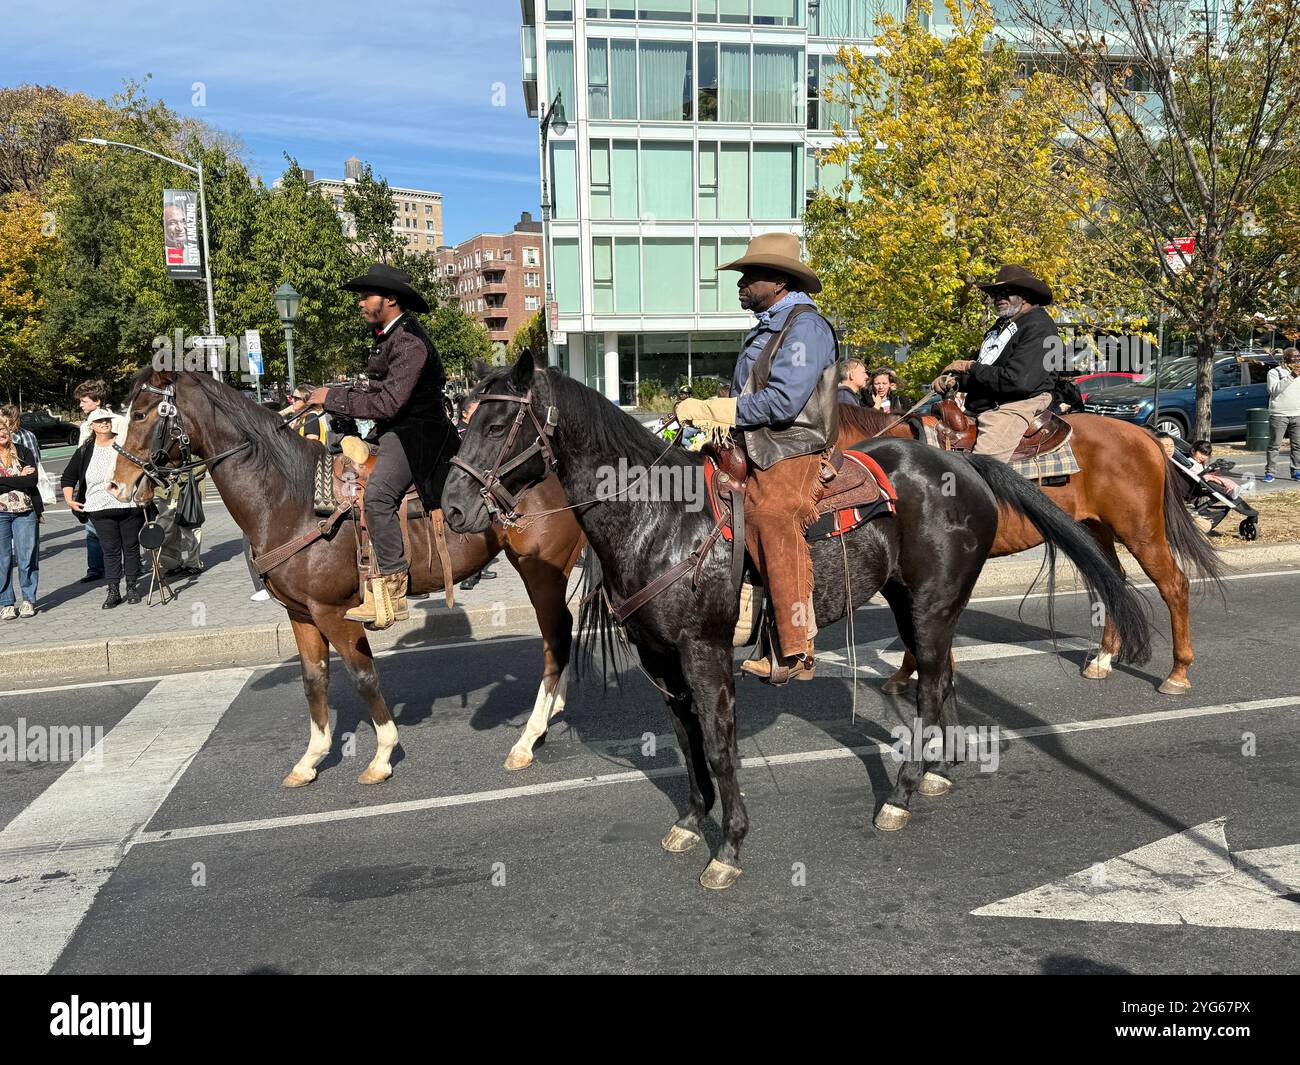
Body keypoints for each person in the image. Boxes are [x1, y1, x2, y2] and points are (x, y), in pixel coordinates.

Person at [675, 232, 839, 684]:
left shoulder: (805, 327)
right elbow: (746, 394)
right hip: (755, 440)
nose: (741, 282)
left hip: (795, 444)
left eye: (750, 275)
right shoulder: (769, 324)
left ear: (779, 281)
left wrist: (718, 409)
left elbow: (784, 403)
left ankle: (796, 647)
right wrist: (710, 417)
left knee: (770, 516)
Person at [304, 264, 458, 628]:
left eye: (365, 296)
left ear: (389, 299)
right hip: (394, 431)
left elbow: (388, 403)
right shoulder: (387, 336)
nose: (359, 302)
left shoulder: (409, 342)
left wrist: (333, 397)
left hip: (418, 435)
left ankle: (394, 589)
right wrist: (324, 396)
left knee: (377, 498)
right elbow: (374, 392)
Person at [932, 265, 1058, 462]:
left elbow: (1017, 381)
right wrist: (955, 381)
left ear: (1025, 296)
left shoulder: (1039, 326)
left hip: (1016, 405)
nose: (999, 298)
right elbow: (984, 372)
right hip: (986, 404)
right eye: (995, 294)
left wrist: (969, 367)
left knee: (981, 469)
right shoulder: (998, 328)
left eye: (1007, 292)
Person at [62, 408, 144, 608]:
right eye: (100, 422)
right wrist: (69, 500)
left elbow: (142, 466)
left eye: (107, 420)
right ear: (92, 426)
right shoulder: (85, 449)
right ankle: (113, 590)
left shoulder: (124, 442)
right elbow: (68, 476)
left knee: (131, 547)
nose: (105, 424)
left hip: (128, 504)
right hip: (99, 507)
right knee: (110, 550)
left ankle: (132, 586)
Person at [73, 379, 128, 584]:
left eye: (84, 401)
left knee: (123, 526)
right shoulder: (85, 426)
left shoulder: (117, 421)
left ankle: (131, 563)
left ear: (96, 400)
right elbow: (81, 456)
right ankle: (96, 567)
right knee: (91, 527)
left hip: (116, 481)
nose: (80, 405)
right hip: (92, 484)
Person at [0, 415, 42, 620]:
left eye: (4, 430)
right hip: (0, 515)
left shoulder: (23, 452)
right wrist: (19, 479)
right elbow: (25, 480)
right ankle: (6, 602)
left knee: (27, 557)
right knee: (3, 559)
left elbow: (33, 480)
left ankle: (28, 599)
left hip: (25, 511)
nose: (1, 433)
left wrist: (5, 481)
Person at [1264, 347, 1300, 482]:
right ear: (1285, 358)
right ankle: (1270, 472)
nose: (1297, 359)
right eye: (1294, 356)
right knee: (1274, 445)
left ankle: (1296, 470)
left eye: (1298, 356)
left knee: (1297, 445)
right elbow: (1273, 390)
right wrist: (1292, 376)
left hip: (1298, 414)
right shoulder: (1275, 372)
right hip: (1279, 414)